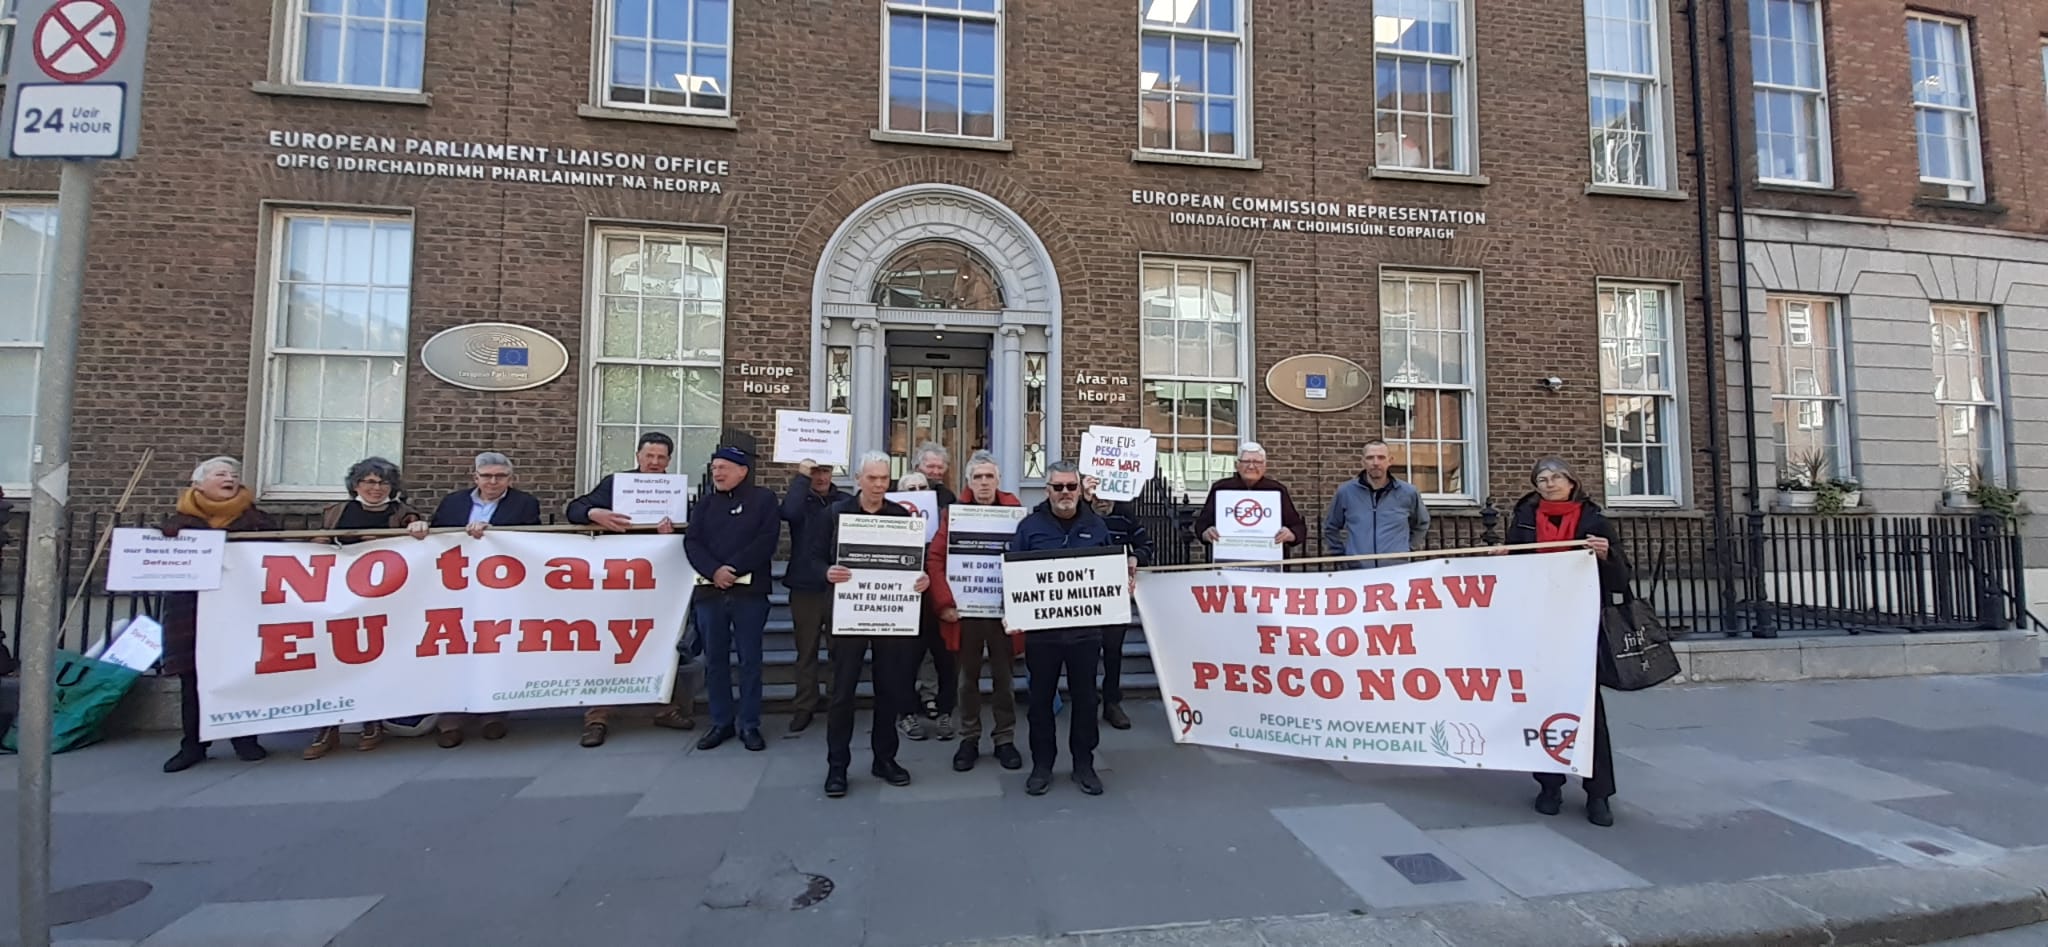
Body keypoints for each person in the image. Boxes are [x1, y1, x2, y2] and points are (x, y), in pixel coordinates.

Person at [1503, 457, 1629, 828]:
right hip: (1540, 624)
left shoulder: (1593, 520)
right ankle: (1549, 785)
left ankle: (1598, 792)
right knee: (1544, 704)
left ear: (1572, 482)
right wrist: (1502, 557)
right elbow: (1513, 566)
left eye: (1555, 477)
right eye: (1541, 478)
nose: (1548, 483)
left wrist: (1607, 556)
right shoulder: (1525, 519)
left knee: (1588, 709)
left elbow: (1621, 579)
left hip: (1582, 625)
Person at [1010, 461, 1134, 796]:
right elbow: (1014, 575)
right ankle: (1042, 765)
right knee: (1040, 702)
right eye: (1058, 487)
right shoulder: (1029, 527)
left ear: (1080, 489)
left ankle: (1084, 764)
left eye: (1071, 487)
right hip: (1043, 634)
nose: (1065, 493)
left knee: (1085, 700)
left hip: (1086, 632)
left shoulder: (1097, 526)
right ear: (1047, 490)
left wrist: (1122, 584)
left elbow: (1110, 570)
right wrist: (1013, 612)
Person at [565, 433, 692, 747]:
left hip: (660, 581)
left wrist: (674, 529)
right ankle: (598, 715)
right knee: (608, 641)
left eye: (661, 458)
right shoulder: (616, 484)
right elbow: (575, 508)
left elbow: (694, 530)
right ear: (637, 455)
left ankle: (663, 706)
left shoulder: (675, 491)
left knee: (662, 640)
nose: (654, 463)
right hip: (618, 580)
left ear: (669, 461)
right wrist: (595, 514)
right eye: (649, 456)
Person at [820, 451, 931, 797]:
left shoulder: (900, 515)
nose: (880, 485)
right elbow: (808, 557)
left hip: (890, 615)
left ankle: (885, 758)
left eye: (884, 479)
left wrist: (921, 578)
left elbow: (916, 563)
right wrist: (825, 571)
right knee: (842, 693)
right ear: (858, 479)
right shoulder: (834, 515)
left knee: (890, 689)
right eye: (873, 479)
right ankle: (837, 767)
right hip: (847, 614)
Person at [415, 452, 543, 746]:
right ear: (475, 477)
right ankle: (450, 717)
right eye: (486, 476)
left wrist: (496, 535)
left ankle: (494, 712)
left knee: (494, 643)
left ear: (511, 479)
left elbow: (532, 539)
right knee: (453, 645)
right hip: (455, 587)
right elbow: (437, 536)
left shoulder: (525, 503)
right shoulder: (453, 502)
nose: (493, 482)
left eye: (500, 476)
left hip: (500, 588)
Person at [160, 456, 278, 773]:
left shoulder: (258, 522)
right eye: (220, 474)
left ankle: (245, 737)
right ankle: (193, 744)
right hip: (192, 612)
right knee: (193, 680)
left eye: (234, 475)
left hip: (242, 609)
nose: (230, 478)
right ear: (198, 484)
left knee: (242, 674)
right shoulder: (178, 525)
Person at [303, 457, 422, 760]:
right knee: (333, 655)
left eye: (383, 483)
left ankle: (373, 721)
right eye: (369, 482)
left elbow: (419, 545)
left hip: (385, 596)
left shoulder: (403, 514)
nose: (376, 488)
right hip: (339, 596)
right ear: (356, 484)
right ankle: (327, 726)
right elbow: (317, 544)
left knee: (376, 654)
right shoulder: (335, 512)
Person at [926, 451, 1025, 772]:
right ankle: (968, 738)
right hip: (965, 614)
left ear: (998, 480)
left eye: (989, 477)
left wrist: (1021, 605)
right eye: (977, 477)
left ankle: (1004, 739)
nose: (984, 483)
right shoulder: (954, 516)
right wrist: (944, 603)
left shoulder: (1016, 515)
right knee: (966, 681)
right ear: (968, 482)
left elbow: (1027, 560)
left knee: (1004, 680)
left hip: (1002, 614)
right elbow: (936, 559)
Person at [686, 445, 780, 753]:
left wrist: (734, 569)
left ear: (743, 471)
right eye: (714, 468)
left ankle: (749, 723)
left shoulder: (763, 500)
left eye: (724, 467)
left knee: (750, 660)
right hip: (710, 593)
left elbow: (767, 541)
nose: (717, 473)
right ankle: (721, 721)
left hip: (749, 594)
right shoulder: (704, 505)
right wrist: (714, 571)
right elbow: (692, 542)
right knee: (715, 660)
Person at [780, 459, 849, 735]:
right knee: (806, 650)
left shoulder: (844, 500)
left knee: (838, 648)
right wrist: (801, 478)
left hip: (838, 584)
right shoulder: (801, 500)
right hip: (805, 585)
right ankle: (805, 705)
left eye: (826, 471)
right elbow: (788, 513)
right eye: (816, 471)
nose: (821, 477)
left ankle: (837, 701)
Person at [1083, 476, 1154, 731]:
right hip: (1083, 595)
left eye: (1107, 495)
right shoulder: (1080, 513)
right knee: (1086, 650)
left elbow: (1146, 544)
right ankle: (1088, 701)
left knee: (1113, 650)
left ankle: (1112, 701)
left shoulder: (1125, 515)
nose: (1102, 500)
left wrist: (1136, 557)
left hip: (1115, 594)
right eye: (1097, 494)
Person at [891, 472, 955, 743]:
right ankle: (906, 714)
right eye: (910, 488)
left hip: (937, 599)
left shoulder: (943, 521)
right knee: (905, 661)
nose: (916, 491)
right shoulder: (890, 519)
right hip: (905, 600)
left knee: (946, 660)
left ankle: (945, 713)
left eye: (921, 487)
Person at [1324, 438, 1430, 569]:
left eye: (1381, 457)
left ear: (1390, 461)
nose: (1375, 463)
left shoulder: (1408, 492)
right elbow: (1331, 527)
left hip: (1397, 570)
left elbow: (1421, 523)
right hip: (1358, 572)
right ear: (1363, 462)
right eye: (1370, 458)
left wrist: (1406, 550)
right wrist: (1342, 556)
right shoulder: (1346, 492)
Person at [1195, 443, 1307, 558]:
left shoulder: (1277, 490)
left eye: (1257, 462)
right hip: (1229, 558)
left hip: (1269, 560)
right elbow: (1201, 524)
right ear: (1237, 465)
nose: (1251, 466)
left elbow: (1298, 527)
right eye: (1246, 462)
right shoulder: (1221, 488)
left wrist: (1290, 534)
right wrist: (1206, 533)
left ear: (1265, 466)